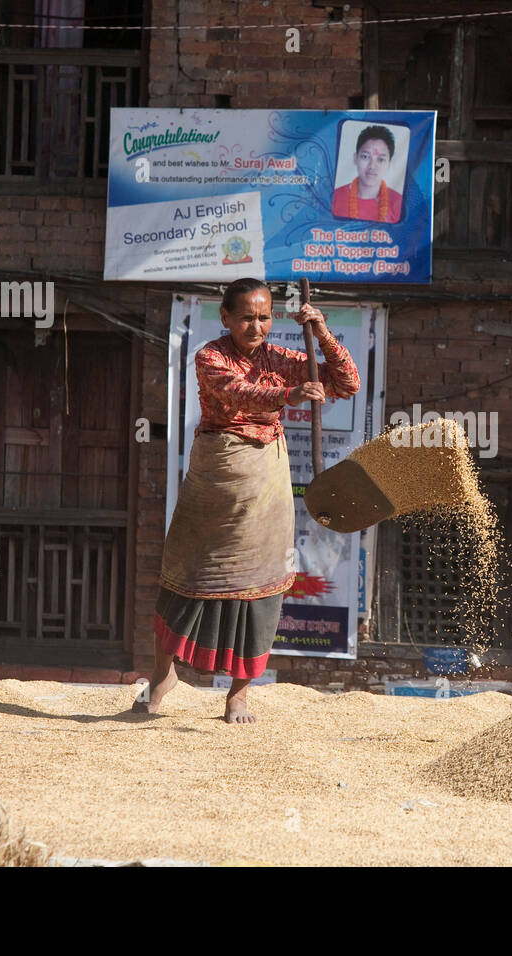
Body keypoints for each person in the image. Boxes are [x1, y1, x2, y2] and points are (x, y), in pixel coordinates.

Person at [135, 278, 361, 722]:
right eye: (246, 317)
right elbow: (240, 394)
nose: (256, 326)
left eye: (263, 317)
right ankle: (164, 675)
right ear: (226, 318)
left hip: (265, 482)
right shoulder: (210, 356)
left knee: (260, 582)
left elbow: (347, 383)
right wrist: (290, 395)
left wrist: (323, 334)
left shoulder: (281, 357)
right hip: (216, 478)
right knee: (185, 574)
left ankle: (238, 693)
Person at [331, 125, 403, 224]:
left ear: (389, 164)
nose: (372, 166)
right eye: (365, 157)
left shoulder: (399, 203)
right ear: (355, 158)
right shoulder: (334, 197)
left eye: (381, 159)